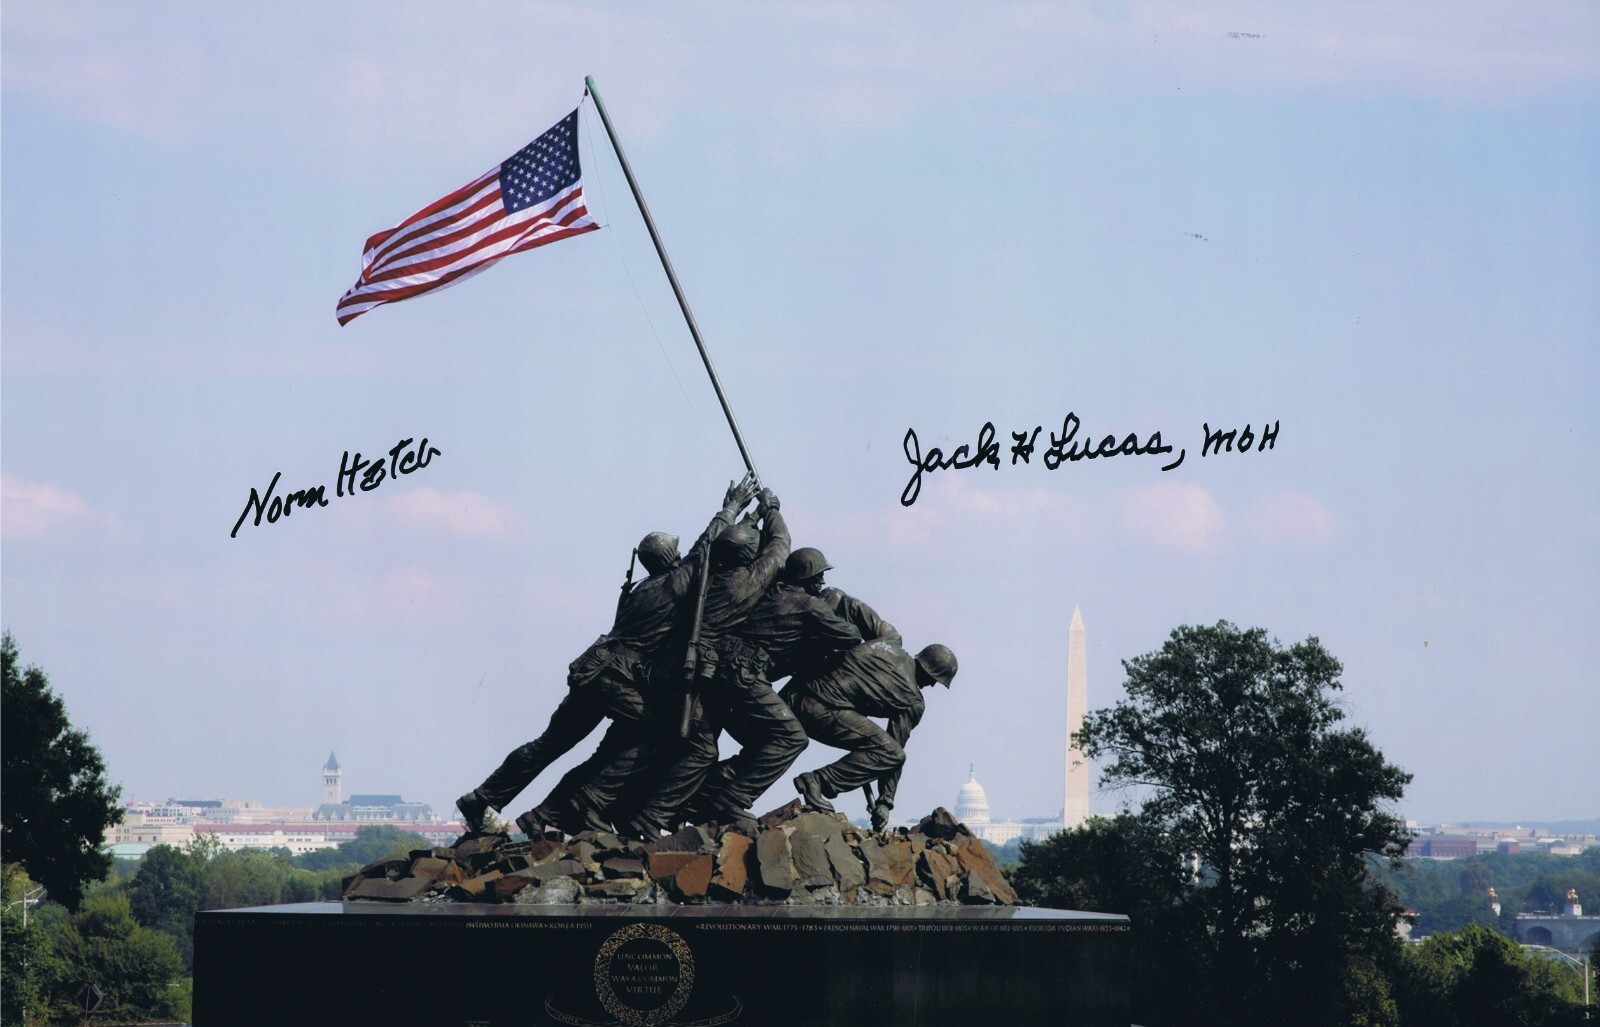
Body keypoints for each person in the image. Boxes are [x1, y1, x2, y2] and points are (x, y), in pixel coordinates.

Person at [455, 476, 757, 836]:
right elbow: (706, 548)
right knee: (659, 733)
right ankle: (588, 803)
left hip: (591, 670)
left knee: (548, 745)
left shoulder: (640, 589)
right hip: (615, 677)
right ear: (670, 557)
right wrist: (732, 507)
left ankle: (482, 797)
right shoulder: (674, 584)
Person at [629, 488, 803, 830]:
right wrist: (772, 510)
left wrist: (738, 512)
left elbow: (706, 546)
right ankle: (670, 812)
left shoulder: (701, 577)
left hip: (681, 669)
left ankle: (675, 808)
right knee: (778, 739)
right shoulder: (746, 583)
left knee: (697, 746)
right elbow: (780, 546)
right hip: (709, 672)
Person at [685, 546, 867, 816]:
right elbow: (850, 636)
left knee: (763, 740)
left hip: (725, 669)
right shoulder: (808, 604)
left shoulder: (771, 593)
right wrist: (835, 608)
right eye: (818, 577)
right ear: (806, 578)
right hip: (744, 674)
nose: (822, 583)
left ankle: (704, 795)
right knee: (792, 738)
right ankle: (732, 799)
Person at [786, 640, 958, 831]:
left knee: (877, 746)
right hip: (818, 709)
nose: (933, 685)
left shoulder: (887, 643)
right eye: (936, 679)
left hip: (792, 694)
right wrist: (885, 801)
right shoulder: (912, 700)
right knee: (891, 754)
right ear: (930, 671)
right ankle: (817, 781)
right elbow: (893, 751)